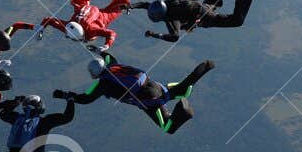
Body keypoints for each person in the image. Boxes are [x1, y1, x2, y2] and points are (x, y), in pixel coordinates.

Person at [54, 53, 214, 133]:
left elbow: (86, 99)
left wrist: (65, 95)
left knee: (168, 128)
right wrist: (98, 51)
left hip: (149, 101)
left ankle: (183, 111)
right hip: (156, 86)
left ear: (94, 74)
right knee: (181, 89)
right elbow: (110, 58)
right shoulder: (114, 67)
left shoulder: (103, 84)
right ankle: (205, 66)